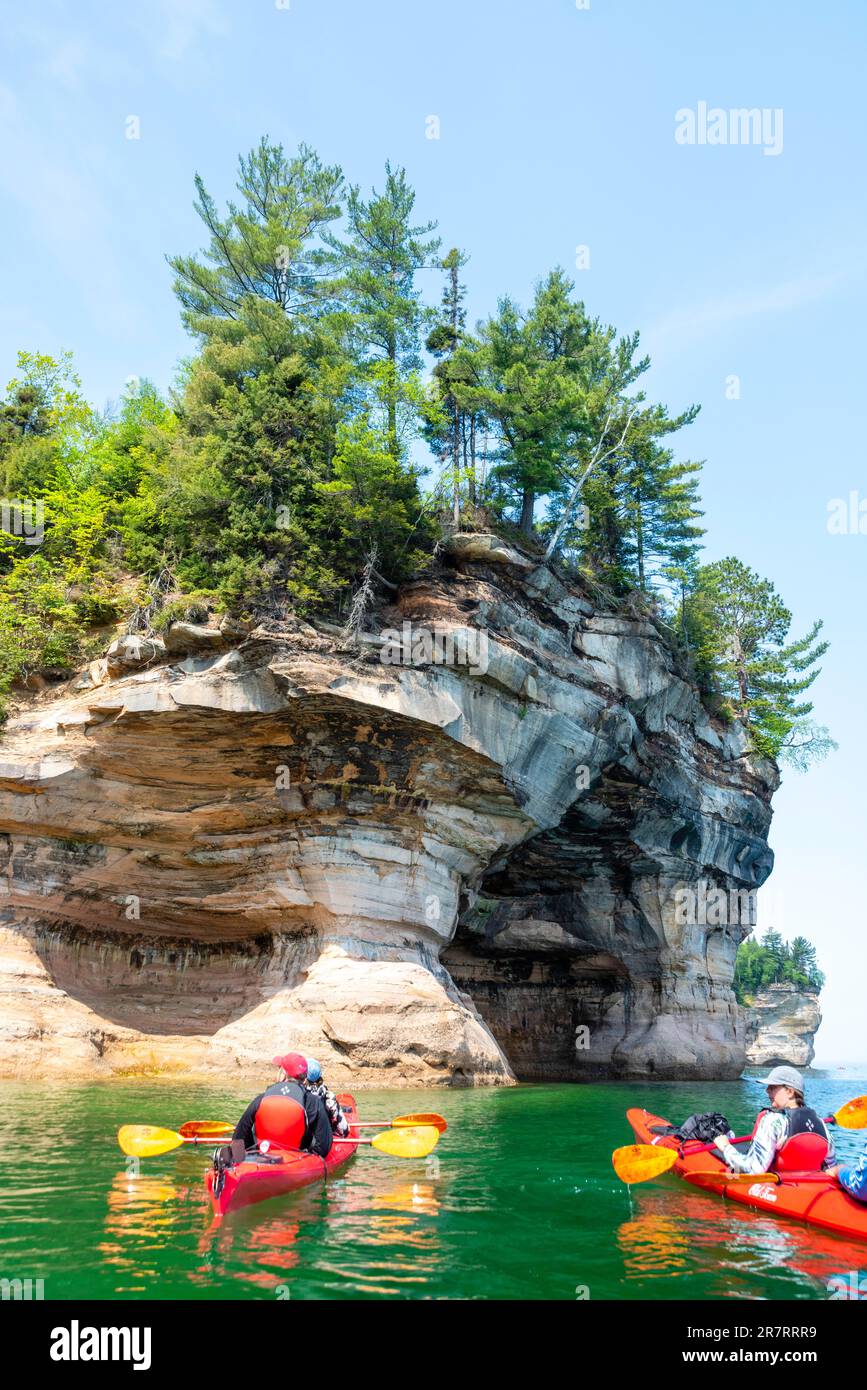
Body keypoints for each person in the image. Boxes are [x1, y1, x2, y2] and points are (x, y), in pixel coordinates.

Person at [713, 1066, 835, 1176]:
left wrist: (726, 1147)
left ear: (790, 1092)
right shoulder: (821, 1124)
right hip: (809, 1185)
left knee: (717, 1148)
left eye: (772, 1087)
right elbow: (831, 1168)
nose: (767, 1091)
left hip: (779, 1184)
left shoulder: (773, 1120)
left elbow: (754, 1169)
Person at [232, 1052, 334, 1158]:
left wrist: (242, 1159)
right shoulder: (313, 1103)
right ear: (304, 1078)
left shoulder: (261, 1099)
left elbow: (239, 1136)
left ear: (284, 1074)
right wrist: (309, 1158)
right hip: (297, 1161)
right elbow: (324, 1145)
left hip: (261, 1157)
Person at [305, 1057, 351, 1138]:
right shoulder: (329, 1097)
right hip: (321, 1141)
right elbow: (343, 1130)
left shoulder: (298, 1094)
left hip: (302, 1141)